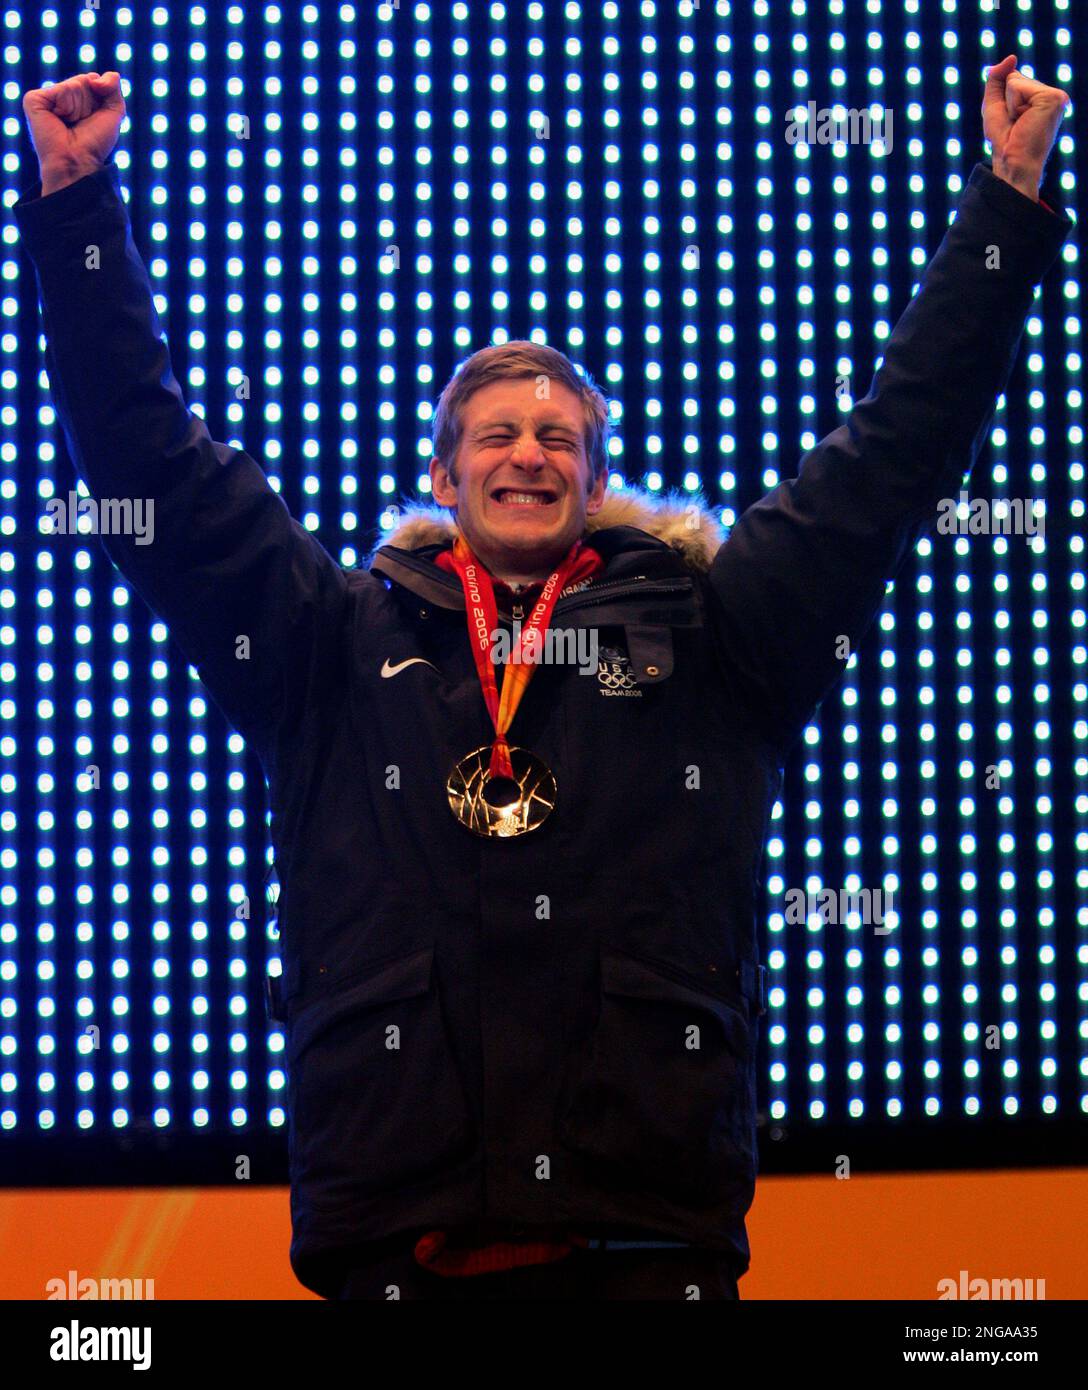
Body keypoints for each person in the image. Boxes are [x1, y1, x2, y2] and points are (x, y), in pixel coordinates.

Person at [16, 59, 1070, 1301]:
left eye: (557, 436)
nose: (527, 453)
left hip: (641, 1235)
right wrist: (75, 205)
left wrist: (1007, 198)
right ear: (445, 476)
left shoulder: (714, 632)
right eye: (497, 435)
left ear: (593, 472)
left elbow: (895, 447)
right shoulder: (326, 640)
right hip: (392, 1238)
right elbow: (154, 462)